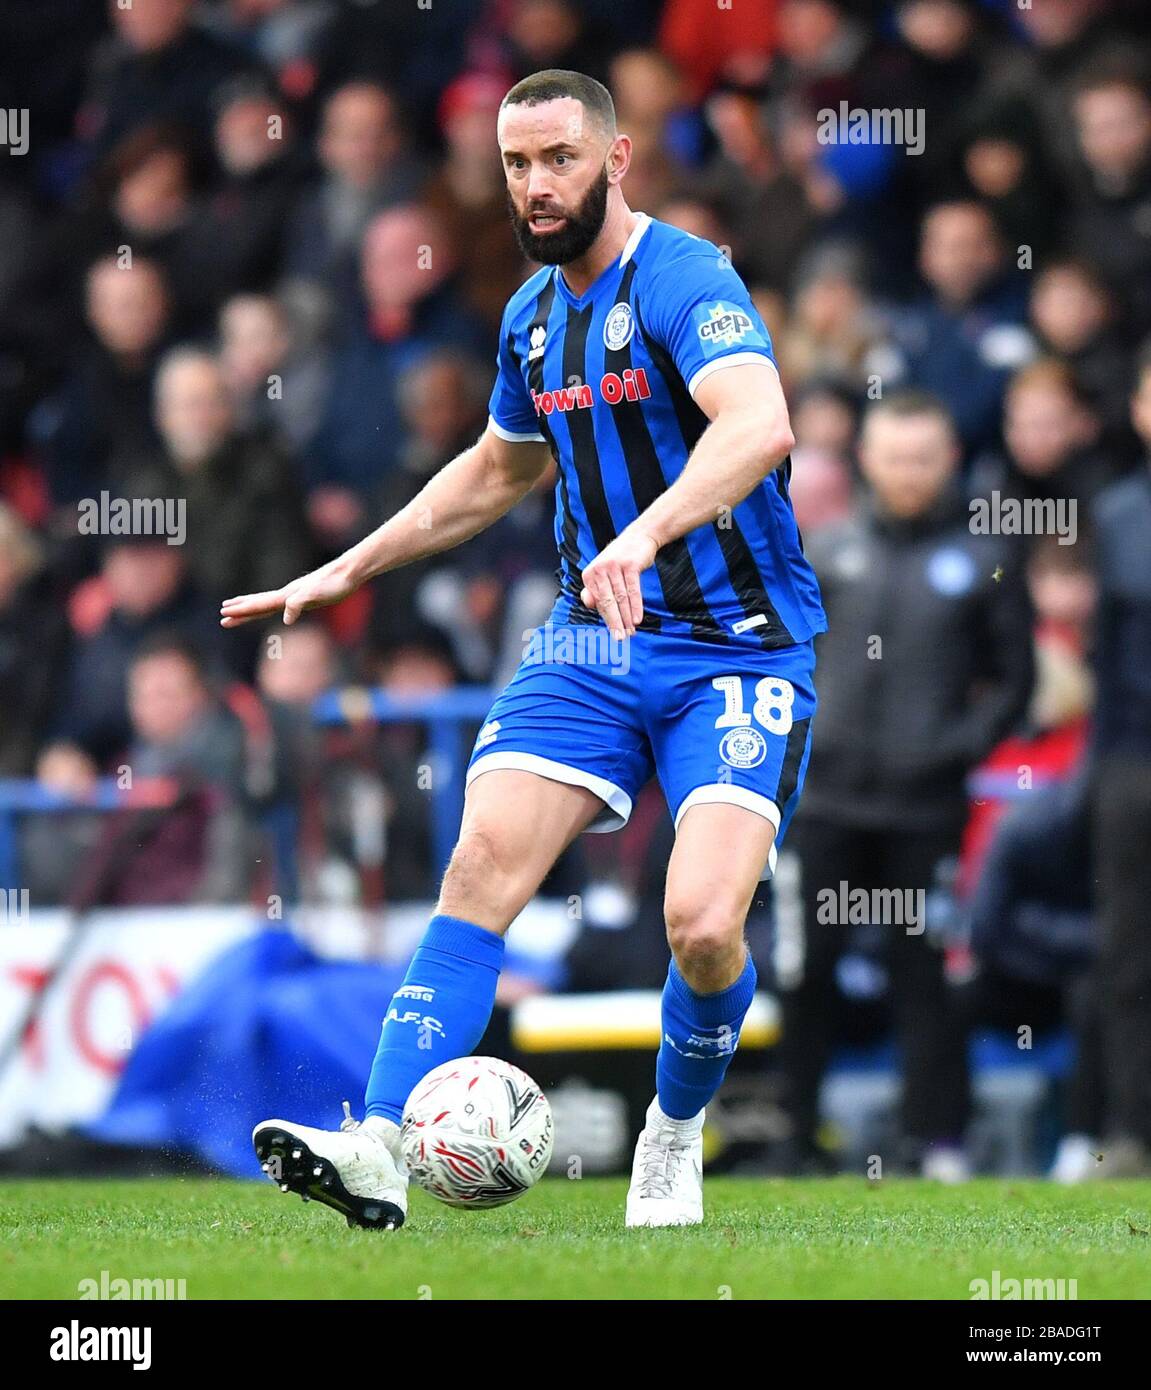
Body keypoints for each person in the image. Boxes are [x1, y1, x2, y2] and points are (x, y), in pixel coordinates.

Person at [221, 69, 825, 1230]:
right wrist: (343, 570)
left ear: (615, 159)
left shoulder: (687, 277)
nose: (536, 186)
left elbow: (760, 422)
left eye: (557, 159)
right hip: (591, 644)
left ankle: (670, 1130)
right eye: (514, 164)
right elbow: (498, 471)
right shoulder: (531, 316)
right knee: (477, 866)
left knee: (701, 926)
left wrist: (644, 534)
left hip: (736, 650)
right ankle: (378, 1145)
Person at [776, 389, 1034, 1179]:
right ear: (867, 459)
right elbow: (782, 661)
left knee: (923, 972)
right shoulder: (822, 551)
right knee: (804, 971)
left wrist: (951, 750)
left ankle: (937, 1143)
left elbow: (1015, 682)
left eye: (923, 457)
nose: (908, 472)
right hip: (823, 806)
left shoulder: (984, 558)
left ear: (948, 458)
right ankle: (795, 1139)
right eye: (894, 457)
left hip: (925, 811)